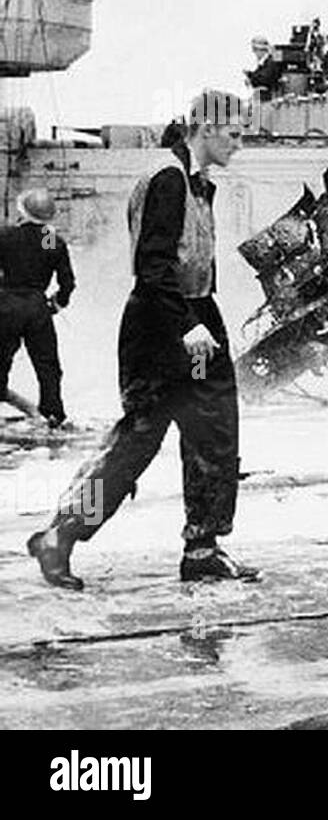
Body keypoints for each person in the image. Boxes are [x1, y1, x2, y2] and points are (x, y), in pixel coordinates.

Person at [27, 90, 259, 590]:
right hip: (166, 328)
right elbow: (153, 266)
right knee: (138, 440)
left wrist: (200, 321)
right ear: (207, 128)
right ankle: (60, 535)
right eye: (235, 133)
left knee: (212, 429)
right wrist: (188, 325)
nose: (240, 144)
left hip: (194, 320)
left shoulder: (196, 182)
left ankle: (203, 547)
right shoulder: (169, 179)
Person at [0, 188, 75, 428]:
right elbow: (67, 282)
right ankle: (53, 414)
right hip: (38, 308)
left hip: (6, 305)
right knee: (47, 365)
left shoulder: (5, 235)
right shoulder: (50, 239)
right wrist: (58, 303)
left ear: (22, 211)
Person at [244, 36, 283, 102]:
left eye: (255, 50)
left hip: (268, 99)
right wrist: (250, 75)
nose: (254, 53)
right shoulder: (265, 63)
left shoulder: (271, 63)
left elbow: (265, 78)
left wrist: (251, 79)